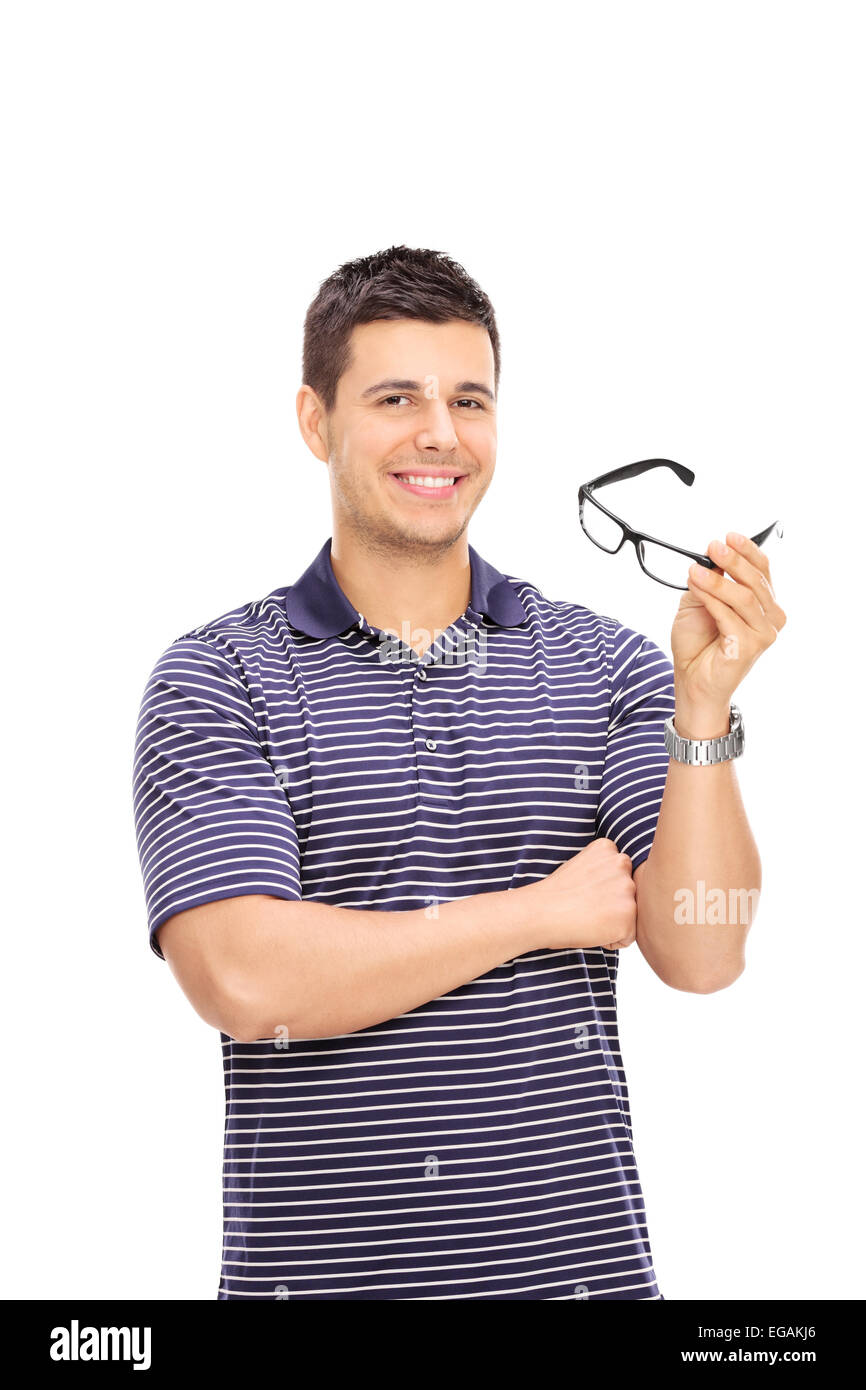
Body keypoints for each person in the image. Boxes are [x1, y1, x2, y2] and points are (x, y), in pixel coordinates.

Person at [132, 245, 785, 1300]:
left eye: (468, 400)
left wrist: (700, 711)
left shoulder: (607, 666)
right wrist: (537, 912)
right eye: (396, 396)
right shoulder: (219, 676)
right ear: (315, 421)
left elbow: (702, 951)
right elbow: (245, 979)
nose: (440, 432)